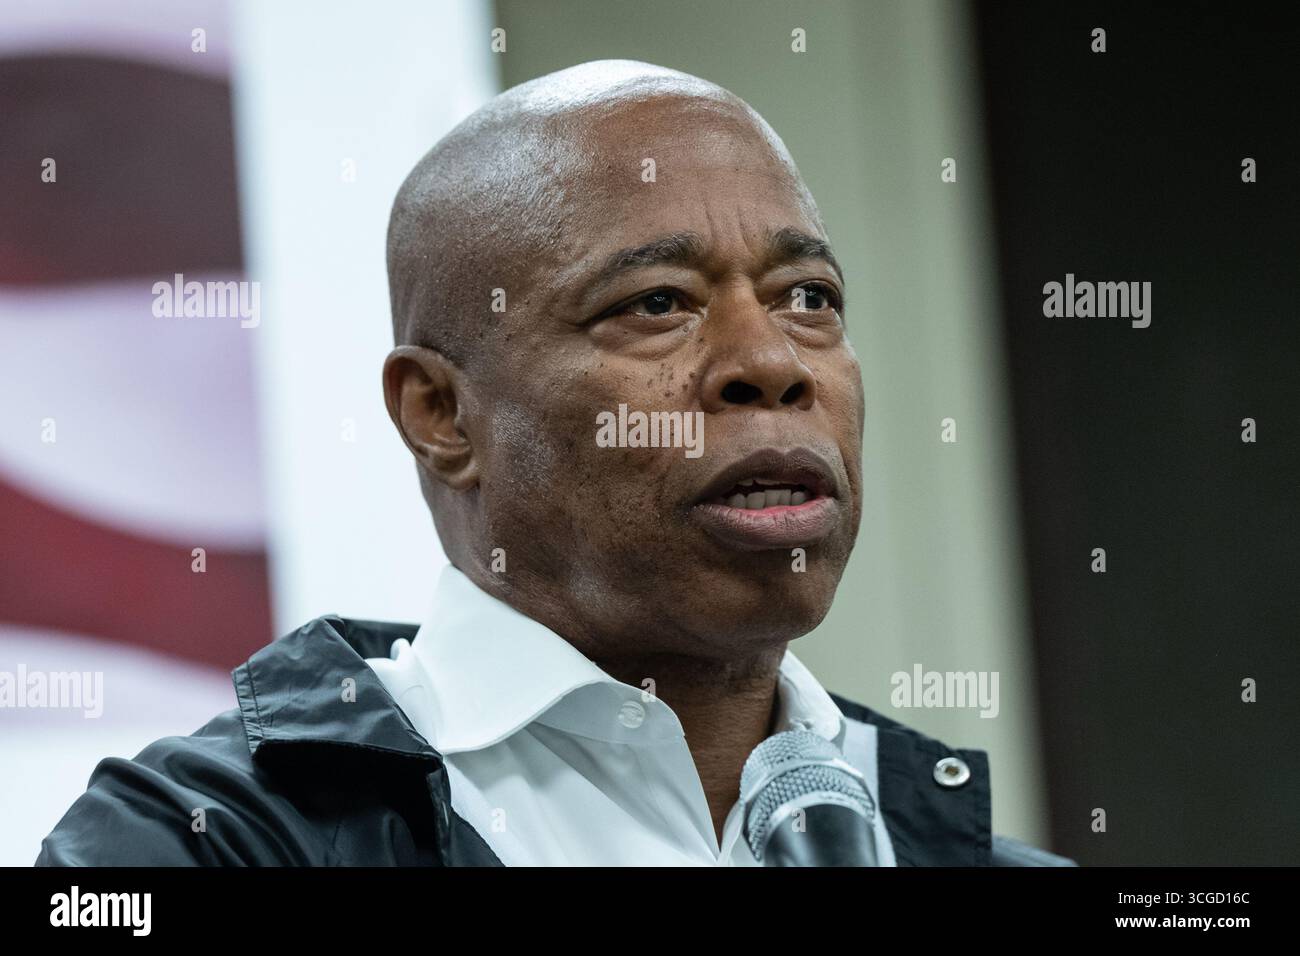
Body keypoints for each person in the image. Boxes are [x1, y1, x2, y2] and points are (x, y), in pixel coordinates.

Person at [37, 60, 1073, 867]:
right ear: (441, 412)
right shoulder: (197, 842)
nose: (770, 362)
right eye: (656, 303)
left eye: (808, 296)